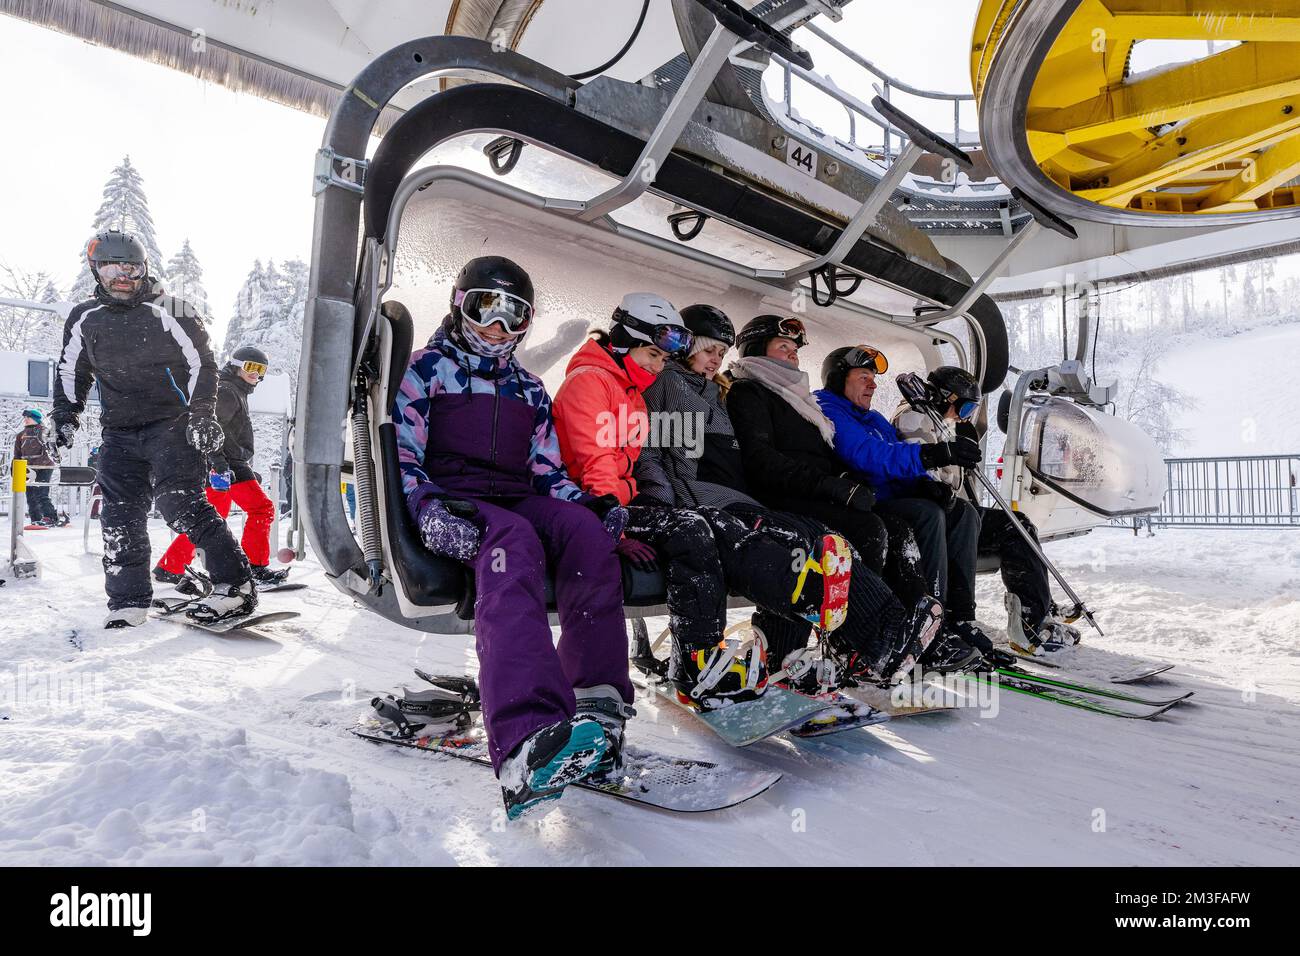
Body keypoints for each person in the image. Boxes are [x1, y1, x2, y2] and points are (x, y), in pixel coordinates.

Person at [393, 255, 631, 820]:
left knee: (586, 538)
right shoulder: (424, 370)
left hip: (516, 494)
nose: (495, 326)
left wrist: (588, 505)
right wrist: (425, 505)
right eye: (484, 307)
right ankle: (528, 734)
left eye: (512, 314)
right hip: (456, 497)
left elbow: (546, 471)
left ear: (525, 323)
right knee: (513, 543)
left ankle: (598, 708)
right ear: (459, 304)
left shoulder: (528, 388)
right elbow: (401, 452)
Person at [637, 304, 942, 688]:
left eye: (720, 352)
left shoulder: (716, 391)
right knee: (803, 545)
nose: (716, 359)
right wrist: (670, 507)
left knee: (815, 538)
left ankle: (812, 647)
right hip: (711, 503)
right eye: (708, 349)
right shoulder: (671, 386)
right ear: (686, 347)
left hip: (738, 501)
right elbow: (658, 455)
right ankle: (875, 634)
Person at [723, 315, 975, 671]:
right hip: (782, 496)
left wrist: (850, 481)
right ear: (755, 350)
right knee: (868, 530)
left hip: (813, 493)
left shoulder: (800, 401)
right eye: (784, 347)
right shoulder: (750, 392)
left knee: (895, 528)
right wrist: (835, 487)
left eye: (796, 350)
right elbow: (763, 462)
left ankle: (919, 630)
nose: (793, 356)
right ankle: (857, 640)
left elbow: (830, 457)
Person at [52, 228, 254, 629]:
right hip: (120, 431)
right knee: (119, 515)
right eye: (111, 267)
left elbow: (203, 364)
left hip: (172, 424)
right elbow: (71, 369)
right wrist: (65, 414)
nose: (122, 275)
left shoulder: (171, 308)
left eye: (130, 266)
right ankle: (127, 601)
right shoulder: (84, 317)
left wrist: (201, 415)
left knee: (180, 505)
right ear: (96, 270)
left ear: (144, 268)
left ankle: (235, 586)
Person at [815, 347, 994, 658]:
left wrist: (923, 482)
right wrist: (932, 455)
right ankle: (931, 624)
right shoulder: (829, 410)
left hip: (890, 495)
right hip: (863, 501)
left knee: (962, 512)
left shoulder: (873, 418)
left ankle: (961, 616)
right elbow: (868, 456)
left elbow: (896, 454)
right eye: (863, 377)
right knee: (927, 514)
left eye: (873, 378)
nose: (872, 385)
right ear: (837, 380)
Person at [893, 366, 1081, 655]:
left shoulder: (939, 420)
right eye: (964, 406)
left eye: (971, 409)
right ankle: (1029, 623)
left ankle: (1037, 607)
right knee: (1013, 528)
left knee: (1018, 526)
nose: (963, 415)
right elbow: (924, 473)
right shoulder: (915, 417)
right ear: (945, 397)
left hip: (951, 509)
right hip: (934, 513)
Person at [154, 345, 287, 589]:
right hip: (225, 463)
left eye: (260, 370)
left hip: (229, 462)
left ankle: (170, 567)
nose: (255, 374)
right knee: (261, 508)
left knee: (209, 519)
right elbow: (211, 430)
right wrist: (219, 465)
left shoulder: (234, 390)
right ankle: (254, 566)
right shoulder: (227, 390)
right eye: (250, 367)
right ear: (236, 365)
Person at [13, 409, 59, 528]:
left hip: (44, 466)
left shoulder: (44, 431)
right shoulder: (21, 435)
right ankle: (36, 519)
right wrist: (15, 467)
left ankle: (51, 517)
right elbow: (17, 453)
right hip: (28, 467)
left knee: (41, 493)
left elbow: (52, 447)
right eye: (25, 417)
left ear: (36, 418)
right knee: (30, 495)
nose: (26, 419)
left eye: (29, 417)